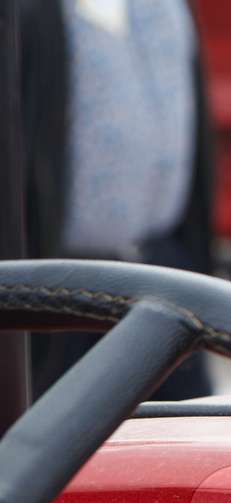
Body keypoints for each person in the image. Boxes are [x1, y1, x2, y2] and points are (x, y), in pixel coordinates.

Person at [19, 0, 216, 399]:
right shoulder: (30, 12)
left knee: (180, 433)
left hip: (163, 267)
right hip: (62, 283)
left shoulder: (171, 10)